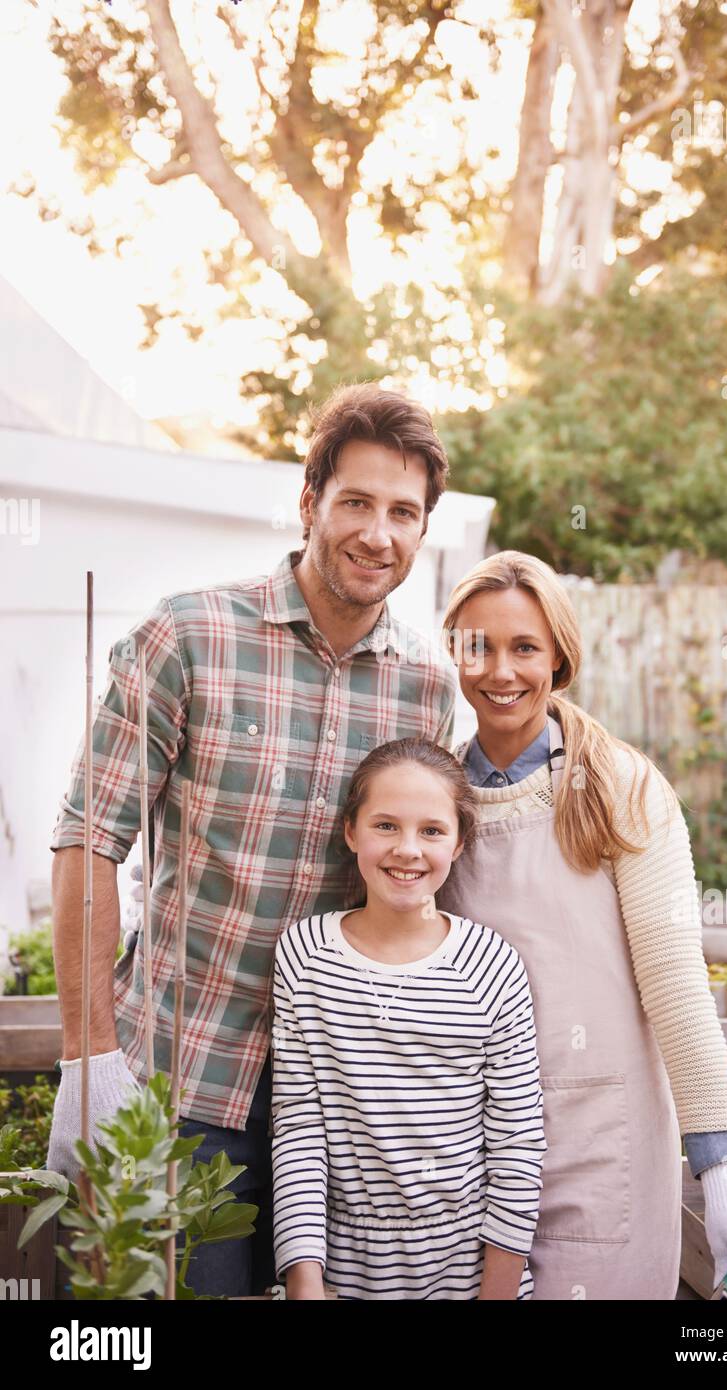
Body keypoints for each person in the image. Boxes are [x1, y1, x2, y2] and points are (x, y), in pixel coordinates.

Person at [46, 382, 457, 1297]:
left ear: (423, 530)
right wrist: (86, 1063)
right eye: (356, 502)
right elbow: (87, 841)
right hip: (183, 1085)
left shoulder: (427, 685)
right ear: (310, 501)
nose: (377, 534)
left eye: (403, 513)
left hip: (346, 1098)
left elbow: (428, 876)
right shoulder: (187, 636)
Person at [434, 550, 727, 1300]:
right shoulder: (431, 793)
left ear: (560, 656)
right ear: (454, 654)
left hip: (603, 1140)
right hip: (466, 1144)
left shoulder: (622, 787)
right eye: (479, 647)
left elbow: (674, 980)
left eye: (525, 647)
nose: (501, 671)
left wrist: (725, 1175)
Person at [271, 740, 546, 1300]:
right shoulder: (304, 955)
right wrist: (304, 1282)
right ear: (351, 832)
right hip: (343, 1269)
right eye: (386, 825)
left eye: (432, 831)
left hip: (470, 1272)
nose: (408, 850)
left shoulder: (491, 965)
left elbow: (517, 1141)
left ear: (460, 841)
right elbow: (298, 1130)